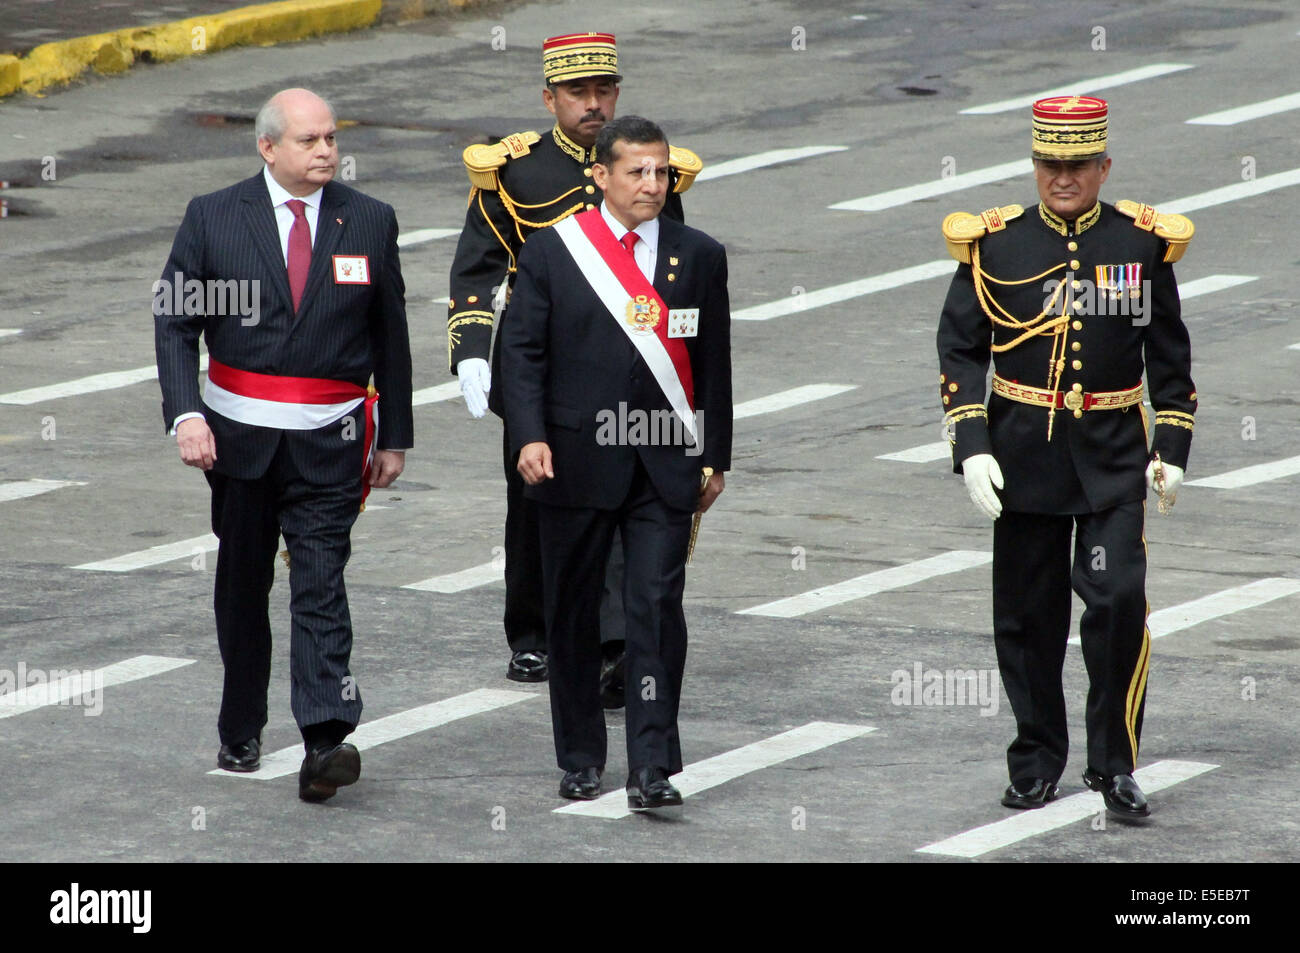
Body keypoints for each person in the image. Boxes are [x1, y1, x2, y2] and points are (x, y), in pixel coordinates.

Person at [936, 95, 1197, 819]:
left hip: (1113, 457)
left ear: (1103, 166)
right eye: (1051, 163)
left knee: (1116, 604)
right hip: (1023, 454)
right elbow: (960, 347)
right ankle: (1036, 757)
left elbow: (1169, 355)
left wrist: (1170, 444)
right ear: (1035, 163)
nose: (1063, 176)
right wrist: (971, 444)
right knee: (1027, 617)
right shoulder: (998, 243)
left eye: (1078, 164)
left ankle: (1114, 764)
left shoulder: (1141, 245)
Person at [154, 88, 413, 803]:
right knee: (243, 585)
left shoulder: (369, 220)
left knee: (321, 582)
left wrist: (394, 435)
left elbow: (390, 333)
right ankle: (241, 719)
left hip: (331, 443)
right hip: (236, 443)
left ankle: (326, 736)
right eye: (309, 140)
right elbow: (175, 323)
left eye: (331, 137)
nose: (327, 150)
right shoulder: (214, 216)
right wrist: (185, 414)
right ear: (269, 148)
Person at [445, 32, 702, 699]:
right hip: (539, 369)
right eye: (577, 94)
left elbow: (667, 267)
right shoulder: (518, 171)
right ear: (549, 98)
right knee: (535, 507)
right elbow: (476, 267)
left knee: (619, 502)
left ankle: (614, 645)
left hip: (626, 369)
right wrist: (472, 350)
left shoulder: (648, 166)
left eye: (603, 91)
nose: (593, 105)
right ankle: (532, 634)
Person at [501, 116, 731, 809]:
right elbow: (523, 353)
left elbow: (713, 362)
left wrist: (714, 455)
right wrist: (528, 436)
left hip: (663, 462)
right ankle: (579, 756)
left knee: (656, 608)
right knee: (572, 612)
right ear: (601, 175)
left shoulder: (699, 255)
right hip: (573, 460)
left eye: (660, 172)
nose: (651, 184)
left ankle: (653, 765)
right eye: (636, 171)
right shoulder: (552, 252)